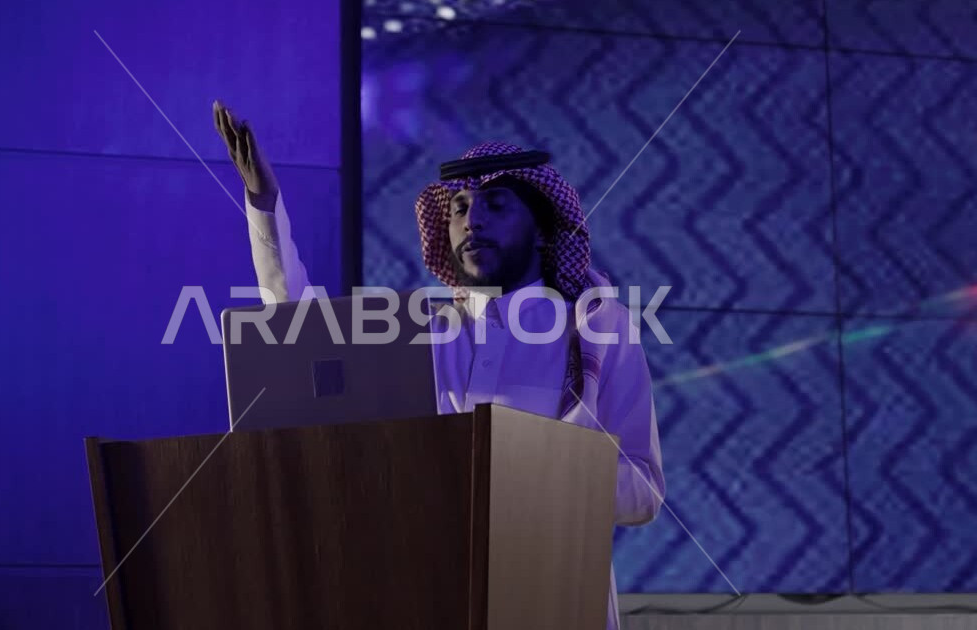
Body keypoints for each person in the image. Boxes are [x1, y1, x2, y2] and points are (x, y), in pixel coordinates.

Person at [213, 100, 664, 630]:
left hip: (557, 598)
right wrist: (264, 207)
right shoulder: (419, 333)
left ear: (543, 231)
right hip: (431, 590)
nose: (472, 220)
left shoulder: (597, 330)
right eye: (460, 207)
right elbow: (301, 337)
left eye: (496, 204)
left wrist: (529, 470)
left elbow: (644, 491)